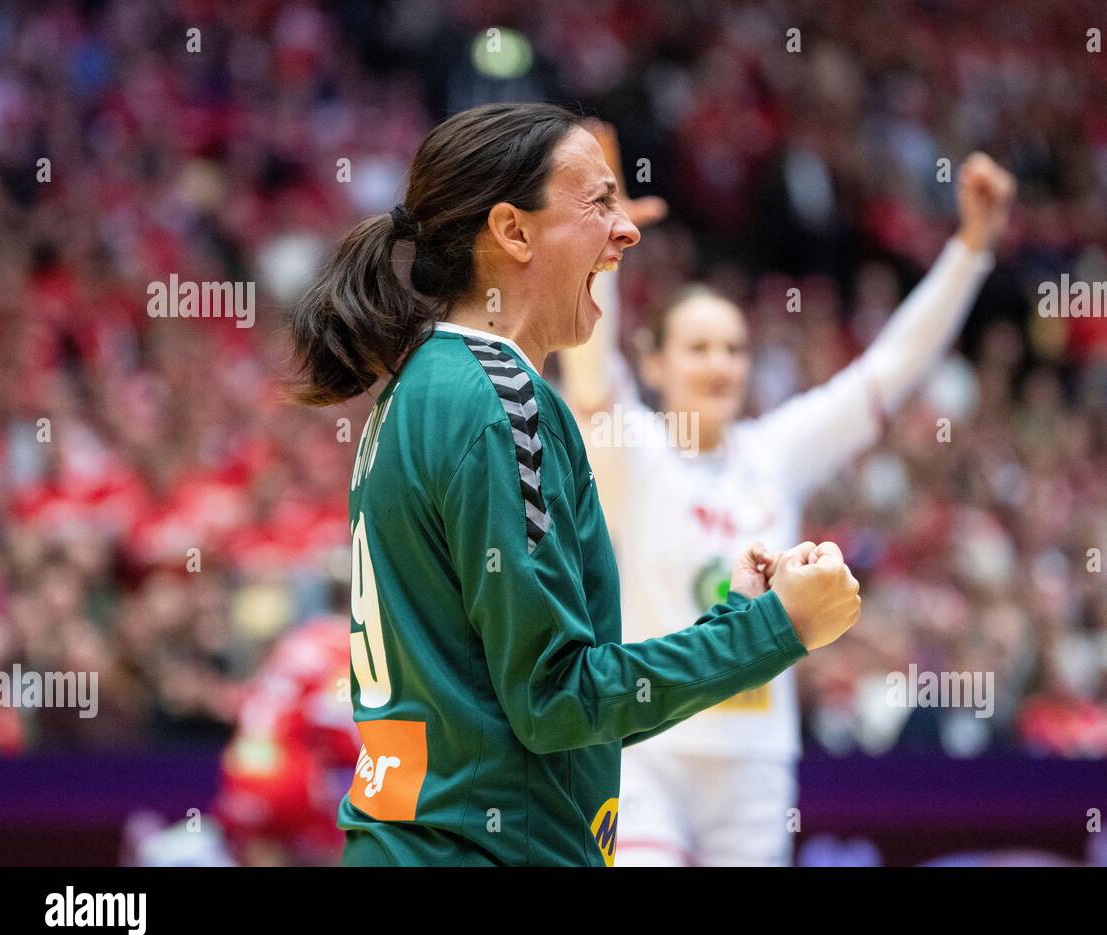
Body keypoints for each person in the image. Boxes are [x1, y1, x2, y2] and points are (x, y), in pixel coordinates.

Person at [286, 102, 861, 866]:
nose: (626, 231)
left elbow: (515, 674)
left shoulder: (417, 388)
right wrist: (774, 630)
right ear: (512, 231)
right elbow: (556, 699)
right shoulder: (502, 400)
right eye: (598, 204)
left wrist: (736, 618)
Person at [561, 123, 1016, 865]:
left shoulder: (776, 455)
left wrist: (971, 249)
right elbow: (588, 364)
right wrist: (602, 242)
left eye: (735, 348)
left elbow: (891, 368)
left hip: (753, 762)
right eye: (700, 347)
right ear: (654, 364)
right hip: (646, 750)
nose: (722, 363)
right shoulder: (630, 451)